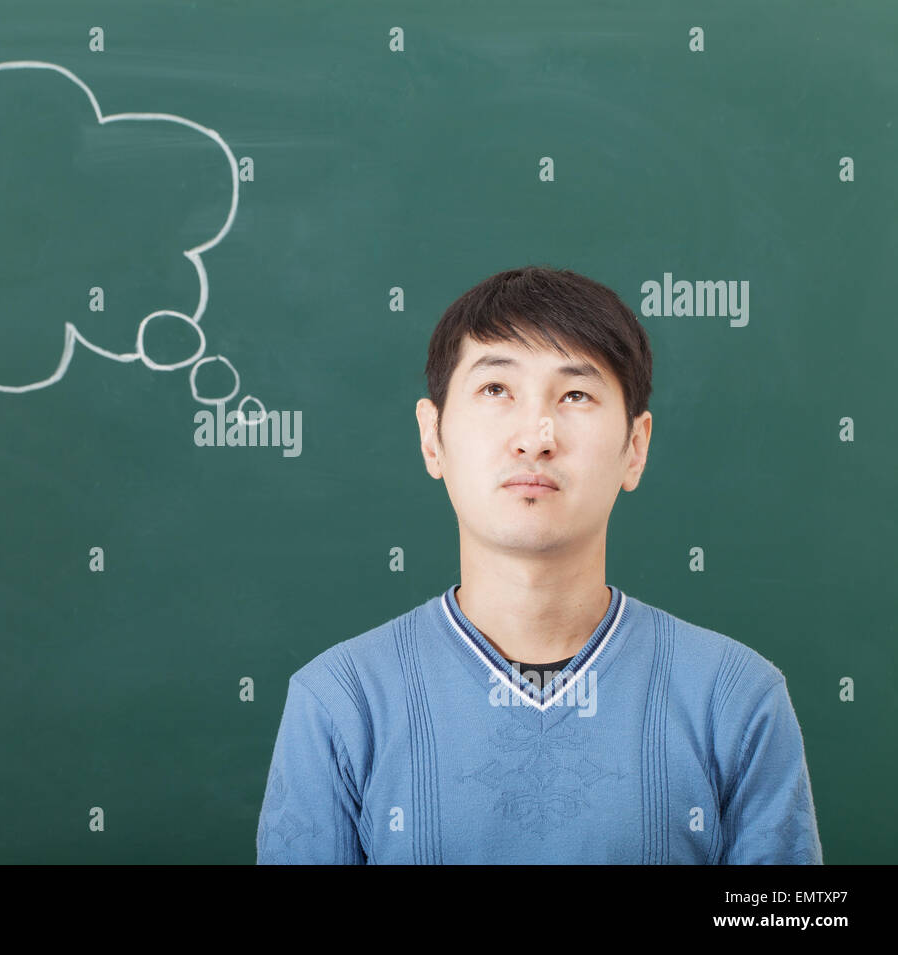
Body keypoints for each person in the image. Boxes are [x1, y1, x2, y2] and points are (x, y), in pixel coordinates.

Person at [256, 266, 822, 864]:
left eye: (576, 394)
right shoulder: (341, 701)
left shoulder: (735, 697)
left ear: (636, 447)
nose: (535, 437)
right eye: (495, 390)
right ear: (432, 437)